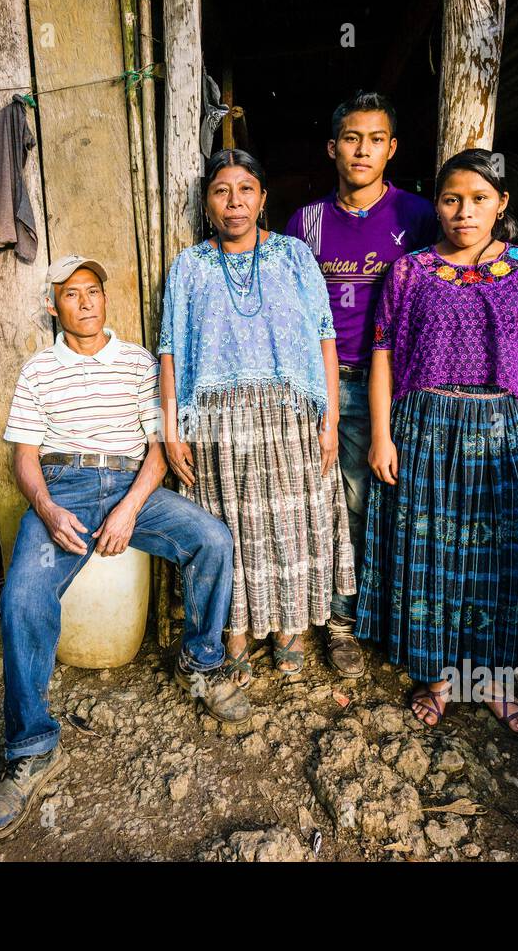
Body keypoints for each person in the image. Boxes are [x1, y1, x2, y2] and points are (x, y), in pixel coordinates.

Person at [0, 254, 251, 841]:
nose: (85, 301)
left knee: (212, 540)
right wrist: (47, 508)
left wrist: (128, 507)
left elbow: (157, 448)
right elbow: (23, 456)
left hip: (132, 484)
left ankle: (200, 664)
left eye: (94, 291)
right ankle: (32, 749)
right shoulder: (38, 370)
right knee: (22, 598)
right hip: (63, 487)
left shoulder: (137, 363)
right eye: (72, 294)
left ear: (106, 300)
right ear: (54, 307)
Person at [357, 148, 518, 738]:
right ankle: (440, 678)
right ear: (436, 205)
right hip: (424, 429)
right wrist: (381, 435)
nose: (463, 212)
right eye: (451, 200)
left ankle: (495, 680)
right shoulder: (410, 271)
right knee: (433, 558)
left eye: (477, 200)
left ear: (501, 204)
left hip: (502, 432)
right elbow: (384, 356)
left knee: (501, 560)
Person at [159, 148, 354, 688]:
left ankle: (291, 632)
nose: (234, 202)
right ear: (206, 204)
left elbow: (325, 338)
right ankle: (237, 634)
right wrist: (171, 428)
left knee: (293, 527)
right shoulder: (189, 266)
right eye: (222, 191)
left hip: (291, 416)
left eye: (246, 189)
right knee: (233, 531)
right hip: (219, 425)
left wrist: (330, 418)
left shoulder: (294, 256)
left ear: (263, 199)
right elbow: (171, 350)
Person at [285, 90, 439, 678]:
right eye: (352, 138)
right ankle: (341, 623)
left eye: (376, 139)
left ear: (392, 148)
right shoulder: (307, 223)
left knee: (399, 504)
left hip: (401, 387)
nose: (363, 150)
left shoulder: (418, 216)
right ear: (332, 148)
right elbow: (293, 311)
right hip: (329, 385)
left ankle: (393, 620)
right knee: (340, 505)